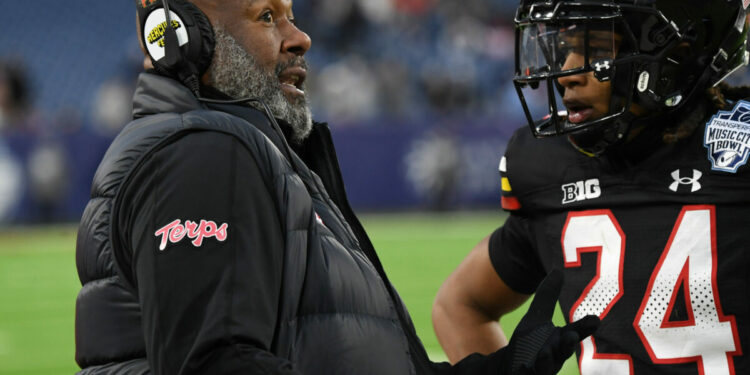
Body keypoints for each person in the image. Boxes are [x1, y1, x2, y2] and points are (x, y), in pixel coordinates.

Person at [74, 0, 598, 374]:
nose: (299, 37)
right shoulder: (202, 152)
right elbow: (219, 363)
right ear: (185, 35)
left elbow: (334, 353)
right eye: (267, 16)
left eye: (293, 16)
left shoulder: (250, 153)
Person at [433, 0, 750, 374]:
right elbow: (460, 305)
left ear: (675, 56)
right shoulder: (548, 165)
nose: (568, 72)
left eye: (597, 50)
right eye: (566, 48)